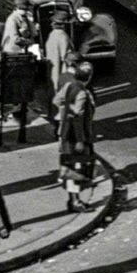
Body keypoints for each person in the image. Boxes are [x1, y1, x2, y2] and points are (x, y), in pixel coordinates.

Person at [56, 59, 97, 211]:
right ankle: (76, 202)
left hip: (66, 133)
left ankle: (72, 200)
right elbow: (77, 117)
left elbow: (57, 100)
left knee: (71, 166)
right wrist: (80, 139)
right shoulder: (82, 93)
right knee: (76, 168)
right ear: (89, 76)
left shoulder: (69, 86)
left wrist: (64, 116)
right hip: (76, 136)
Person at [0, 4, 42, 142]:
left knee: (24, 85)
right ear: (16, 9)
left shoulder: (24, 18)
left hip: (23, 55)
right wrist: (29, 40)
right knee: (15, 85)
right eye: (22, 9)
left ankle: (21, 109)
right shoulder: (12, 19)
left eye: (25, 9)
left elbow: (32, 32)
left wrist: (33, 30)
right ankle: (15, 109)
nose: (24, 11)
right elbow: (15, 38)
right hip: (13, 55)